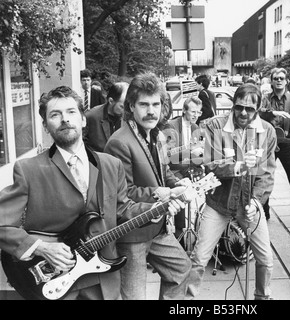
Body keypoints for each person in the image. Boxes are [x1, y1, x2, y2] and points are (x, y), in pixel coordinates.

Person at [0, 86, 185, 300]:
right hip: (54, 280)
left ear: (83, 119)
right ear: (45, 125)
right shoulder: (28, 169)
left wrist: (154, 208)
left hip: (102, 280)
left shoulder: (110, 164)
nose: (65, 119)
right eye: (55, 114)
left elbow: (123, 209)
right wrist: (41, 248)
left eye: (71, 112)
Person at [104, 73, 193, 300]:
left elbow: (162, 173)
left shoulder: (158, 135)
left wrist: (177, 182)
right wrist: (159, 193)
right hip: (132, 233)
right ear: (131, 106)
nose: (151, 111)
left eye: (156, 104)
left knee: (181, 270)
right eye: (144, 104)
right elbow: (121, 194)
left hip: (158, 228)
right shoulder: (119, 141)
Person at [187, 83, 277, 300]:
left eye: (249, 109)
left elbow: (267, 172)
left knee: (265, 258)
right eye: (239, 107)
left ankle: (262, 298)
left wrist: (256, 202)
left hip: (249, 204)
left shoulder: (267, 131)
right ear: (232, 105)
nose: (243, 113)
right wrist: (238, 166)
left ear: (258, 109)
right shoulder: (214, 126)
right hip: (219, 203)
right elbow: (209, 163)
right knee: (199, 258)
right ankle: (187, 301)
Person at [258, 67, 290, 230]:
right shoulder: (265, 99)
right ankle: (264, 213)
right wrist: (275, 112)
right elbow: (260, 114)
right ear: (272, 81)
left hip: (287, 143)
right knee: (264, 179)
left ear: (286, 81)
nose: (279, 80)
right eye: (276, 78)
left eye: (282, 78)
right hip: (269, 143)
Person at [162, 96, 204, 239]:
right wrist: (188, 149)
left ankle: (182, 234)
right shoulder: (171, 125)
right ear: (184, 110)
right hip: (172, 170)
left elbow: (196, 155)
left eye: (199, 112)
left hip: (186, 169)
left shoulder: (196, 128)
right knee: (180, 199)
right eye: (193, 112)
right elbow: (168, 154)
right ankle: (177, 233)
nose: (196, 115)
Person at [84, 82, 129, 152]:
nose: (125, 111)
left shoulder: (130, 117)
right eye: (122, 107)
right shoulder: (91, 116)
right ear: (111, 101)